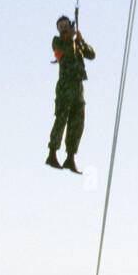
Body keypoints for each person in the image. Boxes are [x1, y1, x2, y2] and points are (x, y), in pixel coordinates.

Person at [46, 14, 95, 174]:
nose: (64, 28)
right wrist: (71, 39)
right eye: (61, 26)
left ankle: (70, 157)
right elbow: (64, 51)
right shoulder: (58, 41)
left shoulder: (75, 43)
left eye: (66, 25)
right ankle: (52, 153)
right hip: (65, 87)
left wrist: (80, 40)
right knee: (62, 119)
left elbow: (91, 55)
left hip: (78, 87)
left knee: (77, 123)